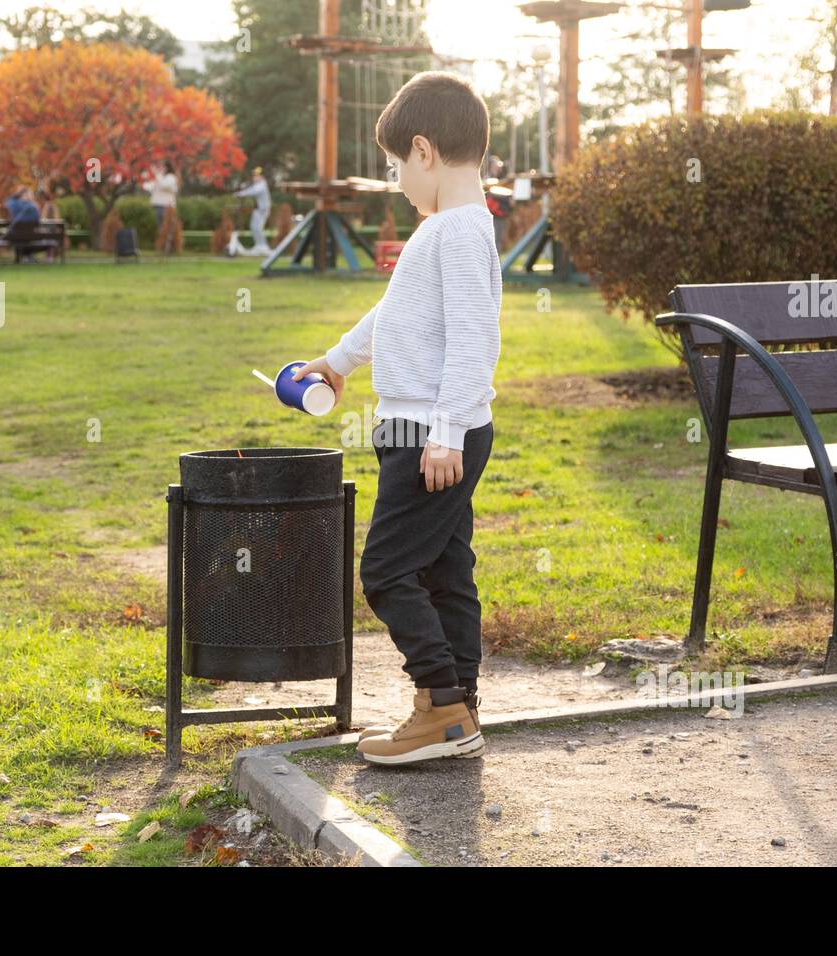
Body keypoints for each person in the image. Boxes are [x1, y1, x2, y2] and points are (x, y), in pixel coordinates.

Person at [292, 71, 501, 766]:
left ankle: (440, 705)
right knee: (446, 571)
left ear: (424, 151)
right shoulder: (446, 230)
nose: (398, 184)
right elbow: (396, 313)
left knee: (385, 572)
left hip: (431, 436)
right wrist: (337, 362)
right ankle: (458, 709)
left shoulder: (458, 232)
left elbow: (474, 339)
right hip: (428, 431)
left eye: (395, 169)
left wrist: (446, 433)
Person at [232, 165, 272, 255]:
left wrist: (240, 194)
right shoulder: (257, 184)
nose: (254, 177)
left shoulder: (262, 185)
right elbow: (251, 189)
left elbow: (253, 191)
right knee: (254, 227)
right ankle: (259, 246)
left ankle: (263, 247)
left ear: (262, 176)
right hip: (258, 209)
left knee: (258, 228)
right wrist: (242, 191)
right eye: (254, 175)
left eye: (257, 175)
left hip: (262, 210)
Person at [143, 160, 179, 228]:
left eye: (162, 167)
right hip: (156, 206)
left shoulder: (171, 177)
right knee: (159, 228)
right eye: (159, 167)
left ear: (167, 168)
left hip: (166, 207)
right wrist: (146, 177)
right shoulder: (159, 178)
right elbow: (147, 187)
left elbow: (164, 185)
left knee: (167, 228)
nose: (159, 169)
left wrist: (157, 174)